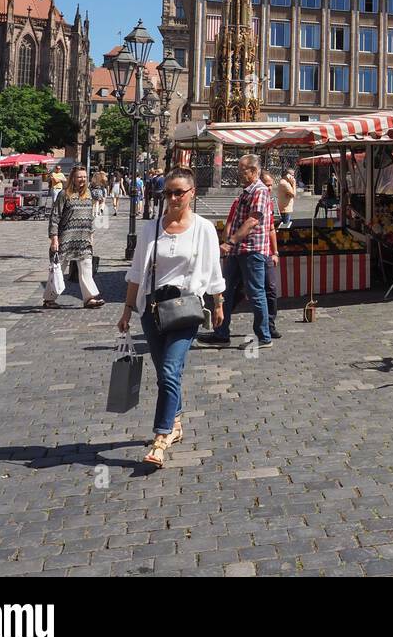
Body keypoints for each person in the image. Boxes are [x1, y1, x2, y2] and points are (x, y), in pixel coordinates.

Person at [119, 167, 225, 468]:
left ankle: (161, 437)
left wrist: (218, 303)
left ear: (192, 193)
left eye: (179, 192)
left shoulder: (203, 228)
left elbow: (214, 270)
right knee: (166, 373)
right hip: (152, 309)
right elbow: (137, 271)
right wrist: (127, 309)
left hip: (185, 308)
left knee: (168, 370)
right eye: (168, 192)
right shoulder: (151, 228)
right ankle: (176, 421)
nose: (173, 198)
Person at [203, 154, 274, 348]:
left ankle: (264, 336)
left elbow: (252, 221)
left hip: (251, 250)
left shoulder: (259, 191)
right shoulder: (246, 191)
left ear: (253, 170)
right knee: (224, 289)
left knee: (256, 293)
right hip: (238, 250)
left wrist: (230, 242)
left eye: (242, 170)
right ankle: (220, 332)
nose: (239, 174)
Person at [45, 166, 104, 309]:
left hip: (83, 238)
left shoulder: (89, 194)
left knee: (86, 268)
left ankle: (89, 298)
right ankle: (49, 299)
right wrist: (54, 238)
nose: (82, 179)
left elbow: (90, 217)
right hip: (66, 238)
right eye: (79, 177)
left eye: (84, 177)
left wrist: (91, 235)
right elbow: (55, 217)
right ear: (73, 178)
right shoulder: (64, 194)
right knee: (59, 269)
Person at [260, 171, 283, 339]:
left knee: (271, 289)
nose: (270, 187)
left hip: (267, 253)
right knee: (238, 291)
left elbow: (271, 229)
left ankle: (269, 324)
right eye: (267, 184)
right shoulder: (246, 200)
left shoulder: (270, 203)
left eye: (270, 184)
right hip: (251, 252)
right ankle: (223, 324)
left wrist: (275, 252)